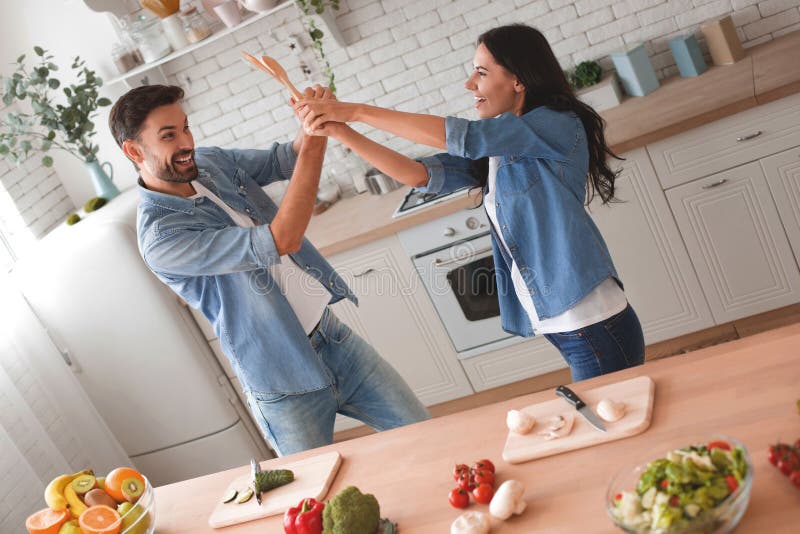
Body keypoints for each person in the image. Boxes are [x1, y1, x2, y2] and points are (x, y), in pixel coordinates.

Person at [294, 24, 645, 382]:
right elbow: (416, 175)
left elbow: (465, 137)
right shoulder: (501, 147)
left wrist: (354, 111)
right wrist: (338, 128)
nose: (469, 84)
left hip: (592, 321)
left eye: (481, 72)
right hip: (564, 323)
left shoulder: (554, 124)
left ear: (518, 80)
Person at [108, 84, 429, 456]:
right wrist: (316, 134)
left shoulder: (209, 164)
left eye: (185, 127)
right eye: (168, 135)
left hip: (334, 339)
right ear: (133, 151)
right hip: (282, 381)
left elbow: (285, 161)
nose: (186, 142)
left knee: (427, 435)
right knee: (314, 496)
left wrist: (310, 119)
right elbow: (282, 240)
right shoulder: (162, 238)